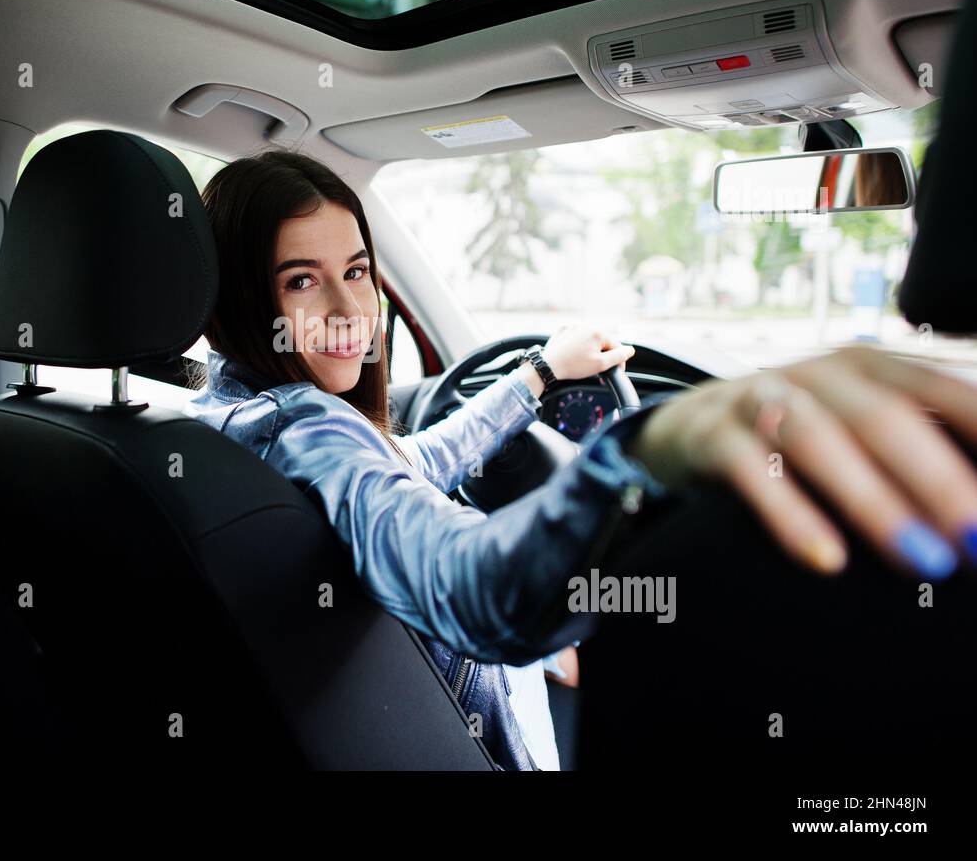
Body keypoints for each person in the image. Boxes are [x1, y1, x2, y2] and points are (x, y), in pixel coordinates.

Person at [181, 148, 977, 770]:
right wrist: (654, 446)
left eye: (356, 271)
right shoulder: (306, 425)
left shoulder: (215, 416)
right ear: (247, 302)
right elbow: (472, 588)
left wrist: (535, 377)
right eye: (301, 282)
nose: (351, 311)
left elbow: (407, 463)